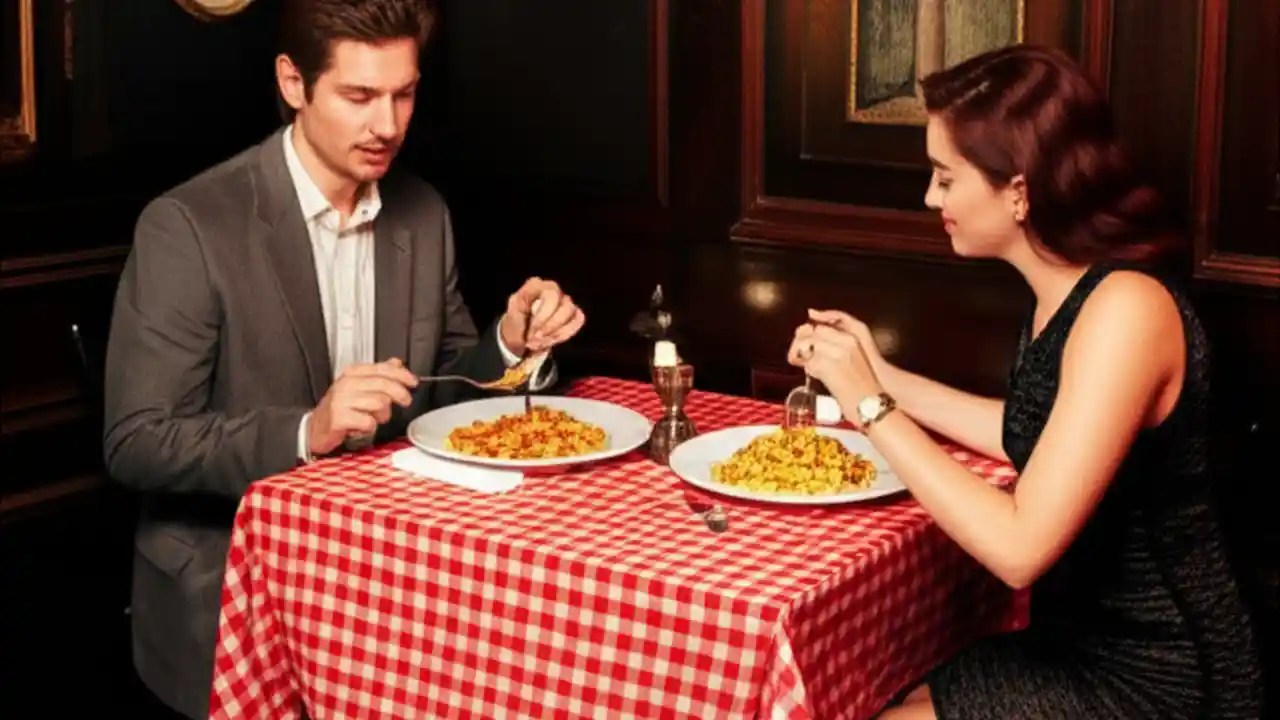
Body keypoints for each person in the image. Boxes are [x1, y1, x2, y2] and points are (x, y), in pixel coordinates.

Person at [102, 1, 584, 717]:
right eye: (359, 96)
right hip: (238, 589)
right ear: (293, 83)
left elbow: (447, 392)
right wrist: (308, 430)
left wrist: (511, 342)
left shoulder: (422, 212)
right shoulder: (189, 225)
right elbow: (136, 441)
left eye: (404, 93)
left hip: (393, 580)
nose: (387, 125)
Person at [788, 45, 1263, 719]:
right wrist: (885, 374)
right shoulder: (1064, 292)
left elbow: (1017, 549)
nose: (930, 198)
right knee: (870, 691)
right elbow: (1034, 436)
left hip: (1160, 679)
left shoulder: (1126, 309)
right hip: (1077, 646)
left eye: (946, 178)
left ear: (1018, 190)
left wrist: (872, 403)